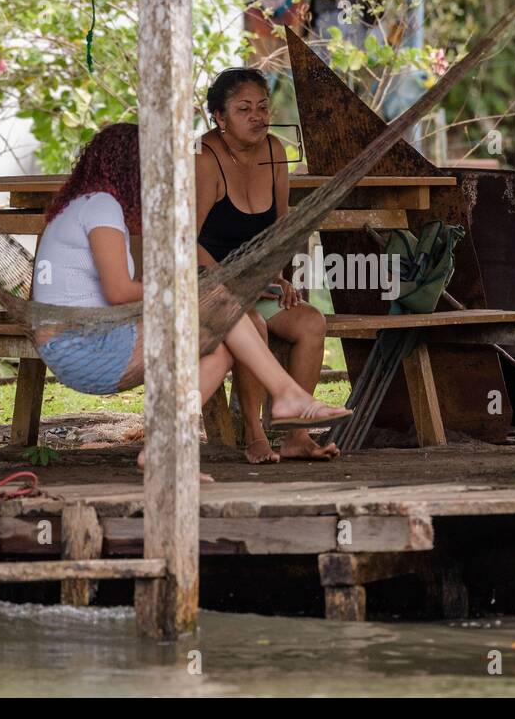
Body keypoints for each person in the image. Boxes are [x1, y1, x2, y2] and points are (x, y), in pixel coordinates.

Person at [31, 123, 350, 474]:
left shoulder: (80, 205)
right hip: (87, 348)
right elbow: (119, 291)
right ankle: (286, 395)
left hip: (73, 345)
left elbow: (114, 290)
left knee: (222, 345)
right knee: (220, 306)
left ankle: (162, 448)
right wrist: (184, 291)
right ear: (131, 166)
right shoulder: (102, 206)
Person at [196, 68, 338, 465]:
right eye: (244, 109)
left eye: (262, 107)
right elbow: (184, 241)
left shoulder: (275, 150)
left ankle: (295, 435)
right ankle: (255, 437)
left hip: (253, 282)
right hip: (206, 284)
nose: (257, 116)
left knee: (311, 321)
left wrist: (277, 274)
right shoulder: (204, 159)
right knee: (253, 325)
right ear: (220, 119)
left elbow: (280, 227)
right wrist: (232, 283)